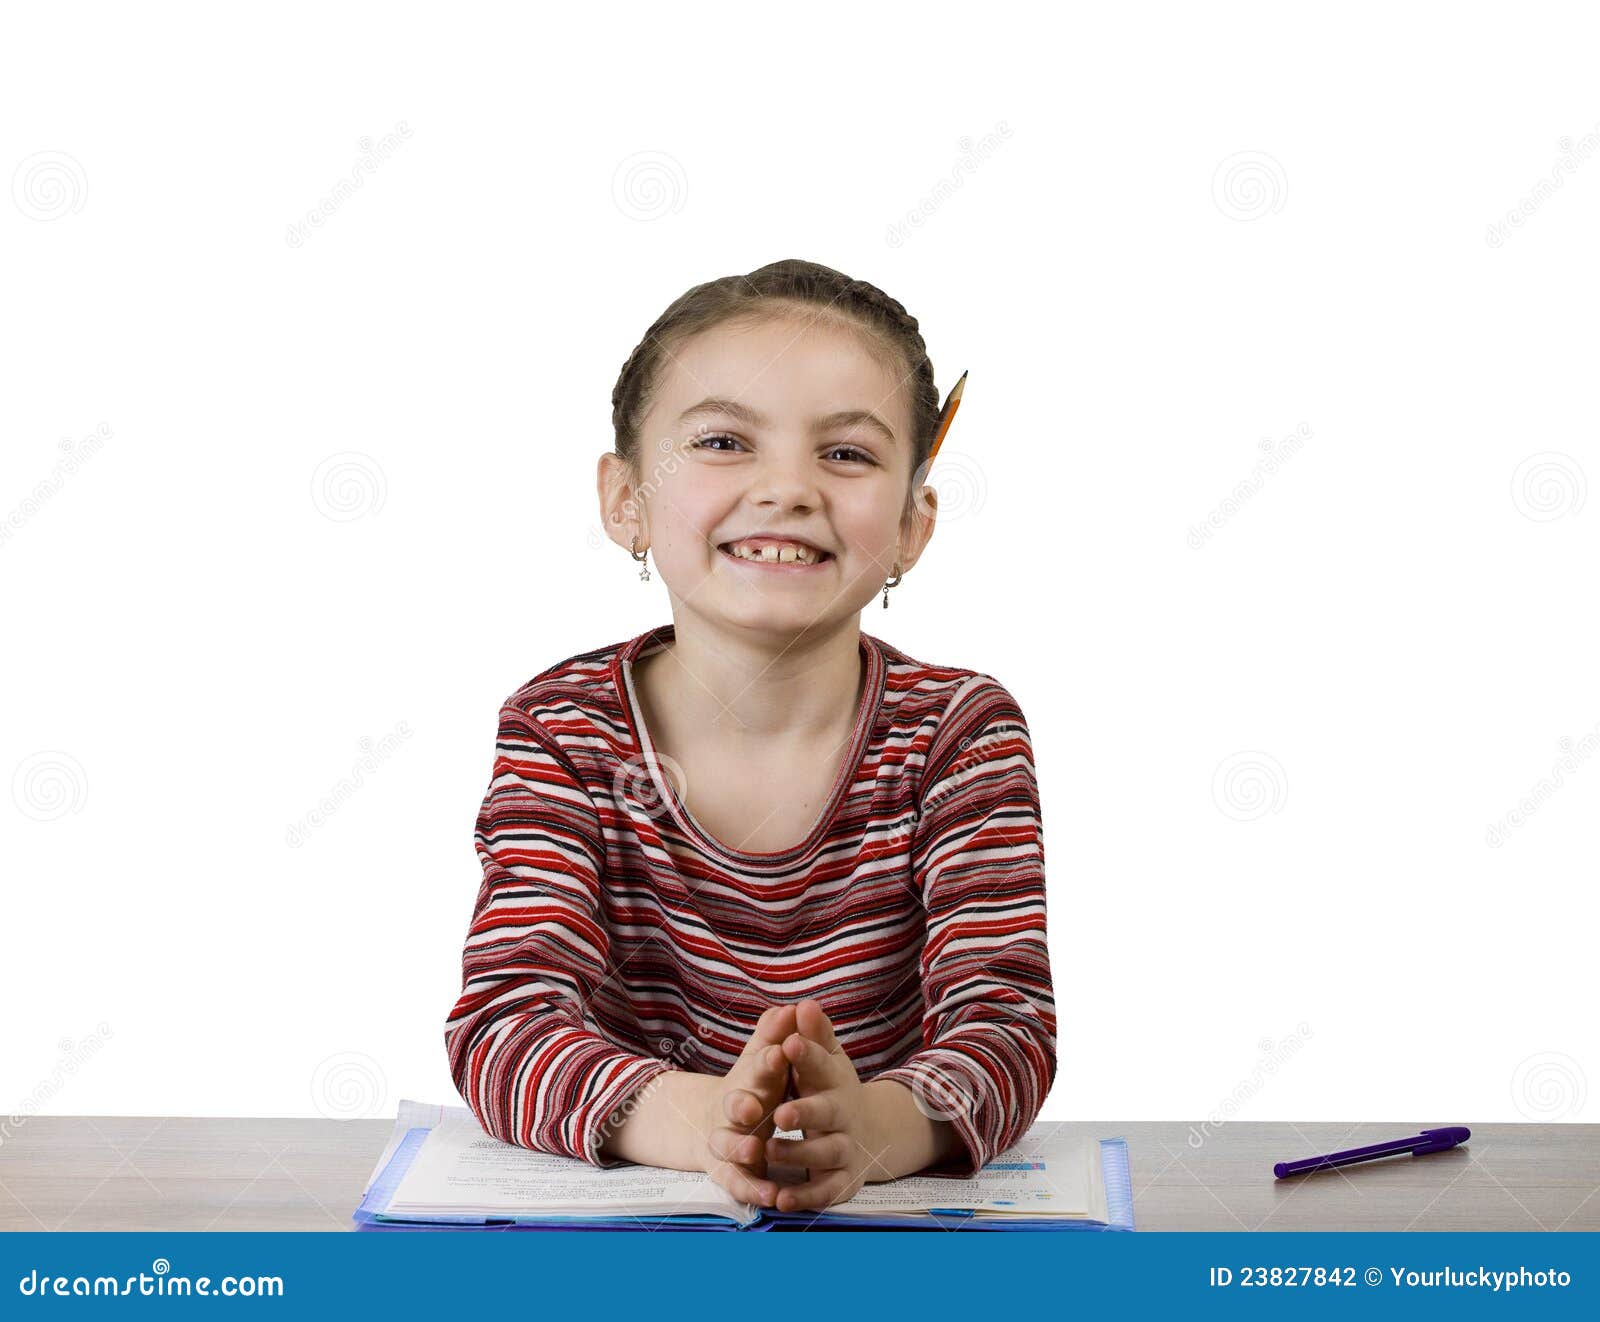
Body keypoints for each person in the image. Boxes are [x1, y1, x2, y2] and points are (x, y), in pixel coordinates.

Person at [443, 257, 1056, 1214]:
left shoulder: (958, 733)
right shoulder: (561, 730)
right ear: (625, 500)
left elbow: (1005, 1027)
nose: (787, 488)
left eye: (847, 453)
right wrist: (711, 1122)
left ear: (912, 525)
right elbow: (507, 1024)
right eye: (725, 440)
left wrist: (872, 1130)